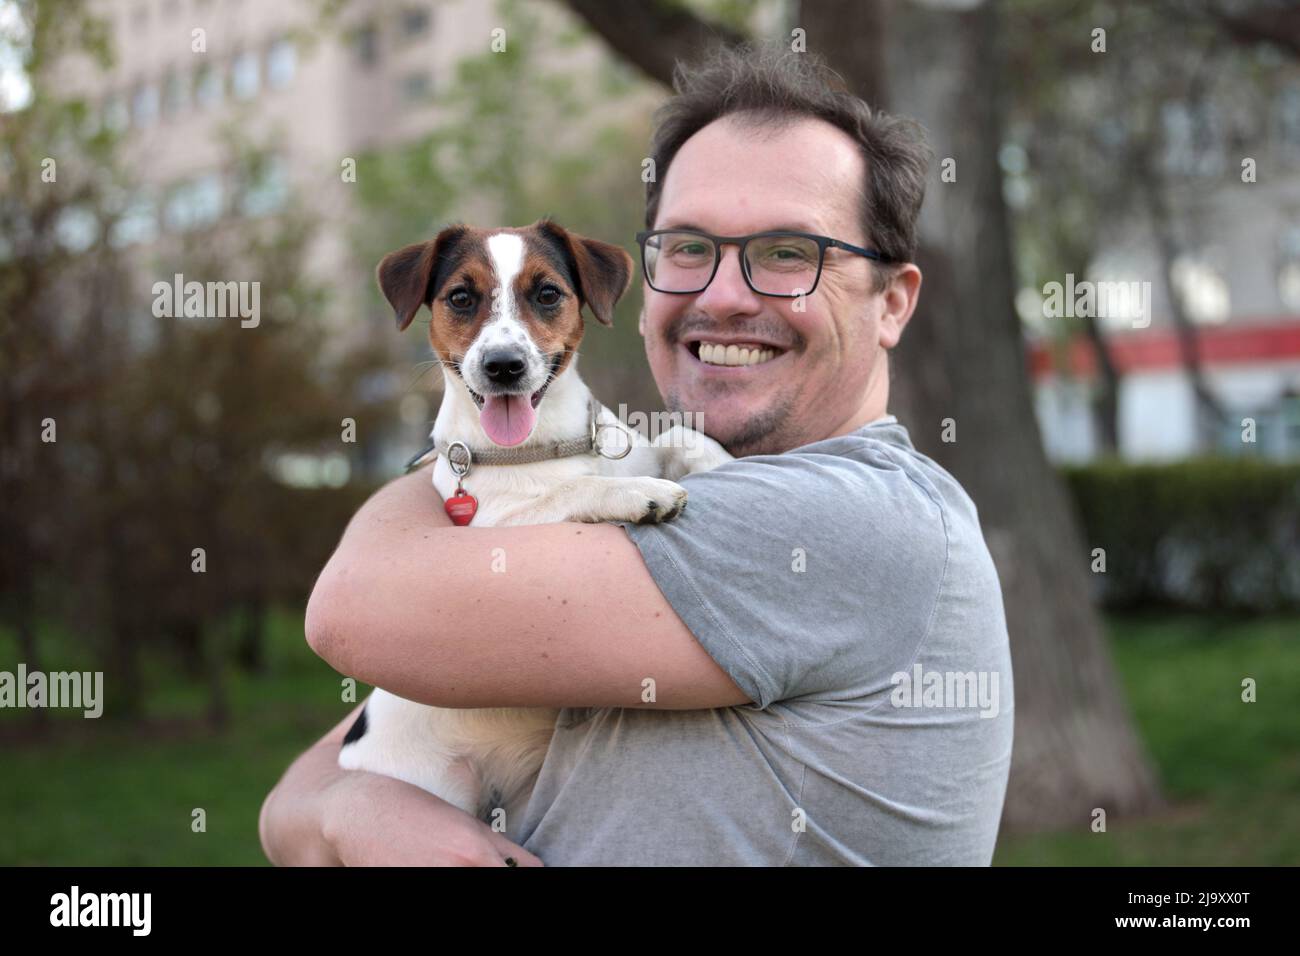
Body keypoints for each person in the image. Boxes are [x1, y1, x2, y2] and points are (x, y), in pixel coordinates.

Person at [259, 41, 1014, 867]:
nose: (723, 296)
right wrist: (352, 806)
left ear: (892, 302)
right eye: (688, 248)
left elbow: (352, 611)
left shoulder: (845, 523)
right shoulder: (641, 477)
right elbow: (307, 786)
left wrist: (450, 472)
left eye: (790, 253)